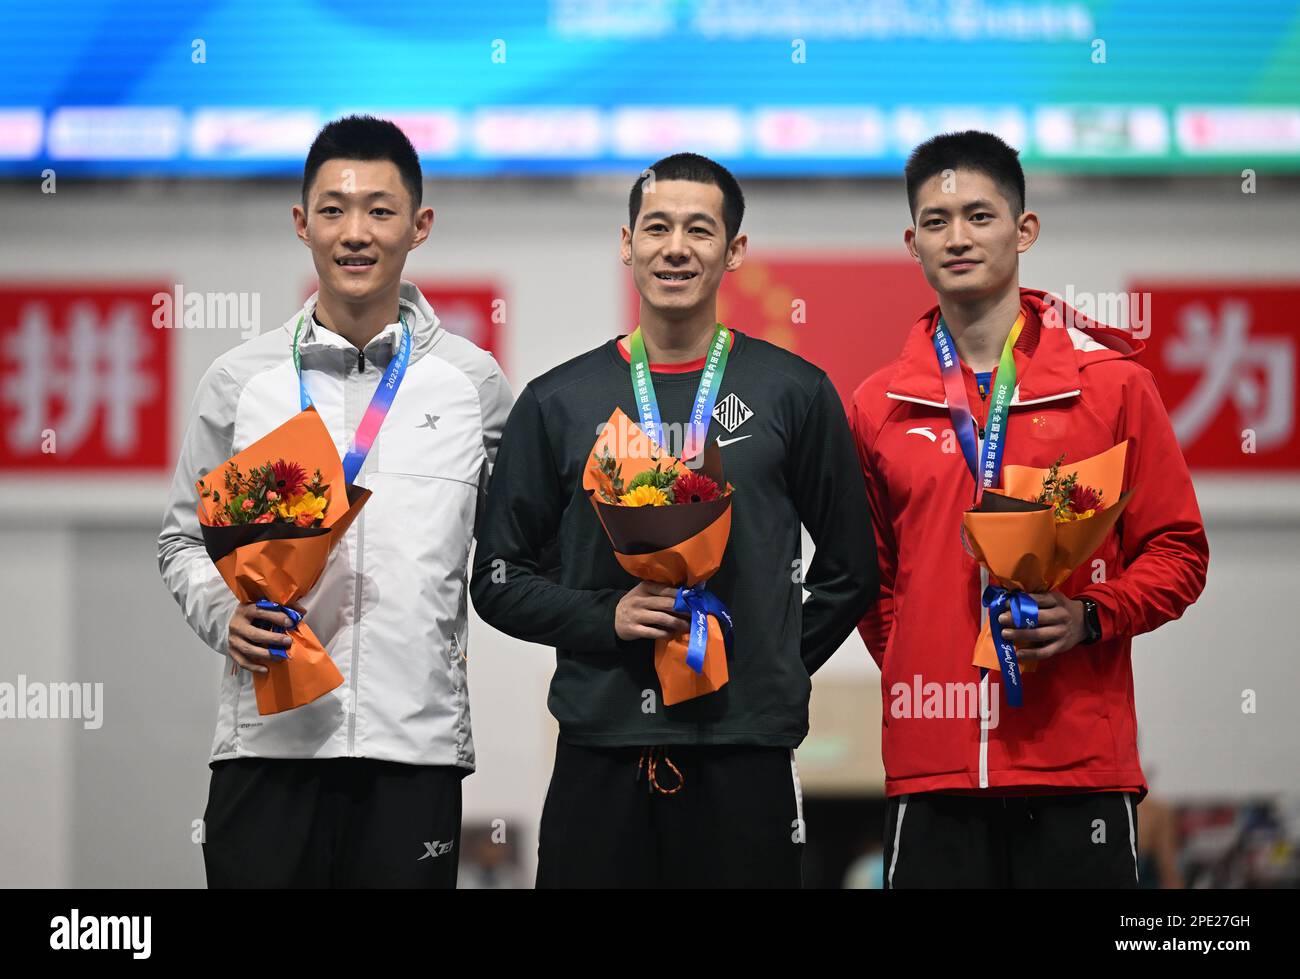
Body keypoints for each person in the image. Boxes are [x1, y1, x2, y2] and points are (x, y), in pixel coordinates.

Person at [470, 152, 878, 888]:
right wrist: (606, 618)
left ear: (735, 251)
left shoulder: (796, 391)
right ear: (627, 243)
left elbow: (854, 568)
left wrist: (764, 660)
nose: (676, 246)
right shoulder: (558, 401)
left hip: (744, 750)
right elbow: (498, 579)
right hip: (602, 745)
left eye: (700, 229)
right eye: (657, 227)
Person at [158, 115, 512, 888]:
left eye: (381, 210)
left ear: (419, 226)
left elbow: (522, 551)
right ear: (302, 223)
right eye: (334, 208)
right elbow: (182, 542)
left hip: (412, 755)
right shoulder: (241, 381)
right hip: (269, 748)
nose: (357, 232)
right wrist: (226, 615)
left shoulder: (473, 386)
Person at [850, 130, 1209, 888]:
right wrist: (932, 662)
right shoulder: (877, 405)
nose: (958, 237)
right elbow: (872, 582)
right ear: (912, 242)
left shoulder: (1111, 385)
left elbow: (1179, 552)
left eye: (979, 215)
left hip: (1077, 766)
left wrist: (1090, 617)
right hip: (931, 772)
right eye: (937, 221)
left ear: (1024, 229)